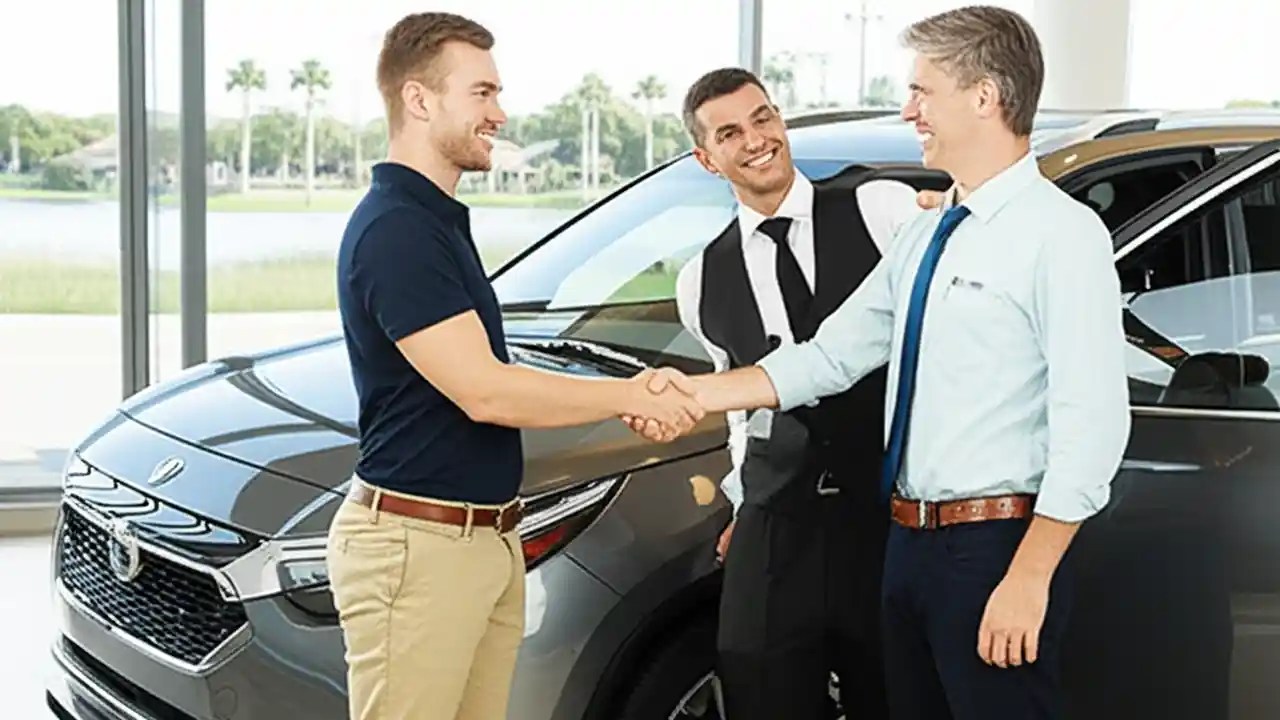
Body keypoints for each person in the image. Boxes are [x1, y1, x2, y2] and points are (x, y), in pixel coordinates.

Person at [631, 6, 1130, 719]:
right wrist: (690, 393)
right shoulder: (928, 232)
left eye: (922, 92)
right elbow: (828, 358)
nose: (909, 110)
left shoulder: (1062, 235)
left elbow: (1093, 426)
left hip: (995, 547)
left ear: (984, 96)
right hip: (908, 547)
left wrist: (1030, 574)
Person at [327, 12, 702, 720]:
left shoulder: (433, 220)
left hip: (480, 540)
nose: (500, 114)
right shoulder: (398, 231)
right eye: (482, 93)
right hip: (420, 552)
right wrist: (631, 395)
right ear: (419, 100)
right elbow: (485, 392)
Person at [671, 67, 921, 719]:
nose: (756, 139)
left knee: (895, 694)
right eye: (730, 132)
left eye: (763, 118)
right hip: (776, 522)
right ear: (706, 158)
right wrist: (738, 499)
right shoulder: (701, 280)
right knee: (761, 692)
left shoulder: (879, 208)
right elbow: (741, 413)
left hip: (883, 510)